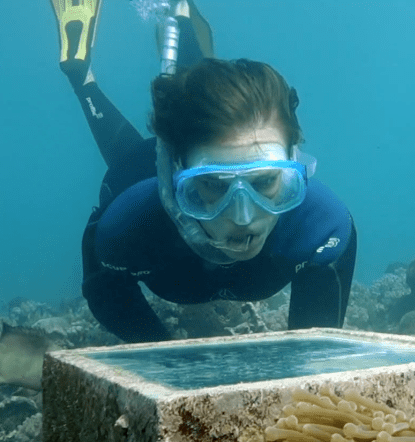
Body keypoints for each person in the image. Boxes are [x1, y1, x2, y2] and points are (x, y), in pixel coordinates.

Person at [49, 0, 357, 343]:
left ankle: (178, 17)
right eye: (212, 184)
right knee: (126, 161)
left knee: (192, 107)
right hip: (143, 174)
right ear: (175, 172)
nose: (243, 217)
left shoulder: (323, 228)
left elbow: (312, 356)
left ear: (294, 161)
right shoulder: (126, 225)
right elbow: (109, 297)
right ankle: (83, 79)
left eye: (266, 181)